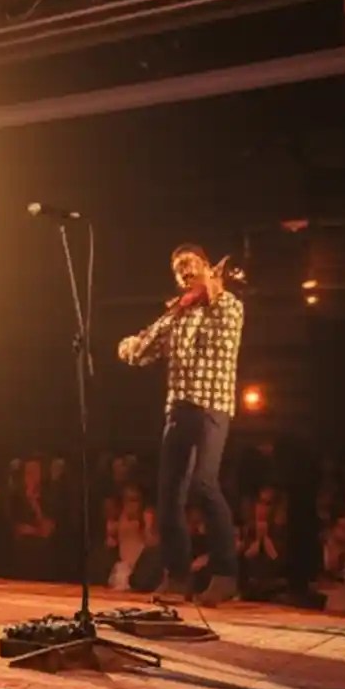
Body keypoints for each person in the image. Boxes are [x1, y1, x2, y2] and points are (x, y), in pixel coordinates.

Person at [118, 243, 243, 606]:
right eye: (178, 268)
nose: (184, 270)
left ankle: (225, 573)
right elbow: (140, 350)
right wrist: (125, 346)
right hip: (179, 409)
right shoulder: (176, 316)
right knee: (168, 494)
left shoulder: (229, 306)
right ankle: (177, 578)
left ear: (206, 266)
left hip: (212, 408)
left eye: (190, 263)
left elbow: (222, 314)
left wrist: (212, 286)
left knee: (204, 483)